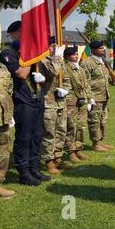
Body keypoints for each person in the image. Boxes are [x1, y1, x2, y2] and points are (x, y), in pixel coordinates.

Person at [0, 21, 49, 186]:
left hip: (37, 98)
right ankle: (24, 171)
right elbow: (21, 74)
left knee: (37, 136)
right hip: (22, 100)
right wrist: (29, 55)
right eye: (23, 32)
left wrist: (41, 76)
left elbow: (42, 72)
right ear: (13, 33)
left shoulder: (33, 53)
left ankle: (34, 168)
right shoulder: (8, 53)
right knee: (24, 137)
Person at [80, 41, 115, 152]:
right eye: (100, 48)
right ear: (92, 50)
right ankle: (95, 143)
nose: (102, 50)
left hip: (104, 96)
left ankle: (100, 140)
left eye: (103, 48)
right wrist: (89, 97)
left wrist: (113, 82)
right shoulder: (87, 63)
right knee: (94, 120)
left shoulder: (102, 62)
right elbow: (84, 82)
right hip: (94, 97)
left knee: (102, 120)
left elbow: (104, 78)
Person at [41, 39, 70, 174]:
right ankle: (49, 161)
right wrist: (57, 57)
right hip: (49, 103)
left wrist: (66, 89)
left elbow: (66, 77)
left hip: (61, 102)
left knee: (61, 131)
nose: (55, 48)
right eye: (52, 45)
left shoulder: (59, 60)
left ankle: (58, 157)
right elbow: (53, 71)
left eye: (56, 46)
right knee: (49, 133)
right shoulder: (43, 60)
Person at [62, 46, 92, 163]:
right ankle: (71, 151)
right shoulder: (64, 68)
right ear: (67, 56)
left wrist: (89, 98)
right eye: (74, 54)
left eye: (76, 54)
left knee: (81, 126)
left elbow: (86, 85)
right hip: (70, 101)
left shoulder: (80, 68)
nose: (76, 56)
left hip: (82, 100)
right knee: (71, 127)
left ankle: (78, 148)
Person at [0, 36, 16, 198]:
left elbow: (9, 90)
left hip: (2, 117)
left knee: (2, 149)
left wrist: (9, 113)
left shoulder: (1, 67)